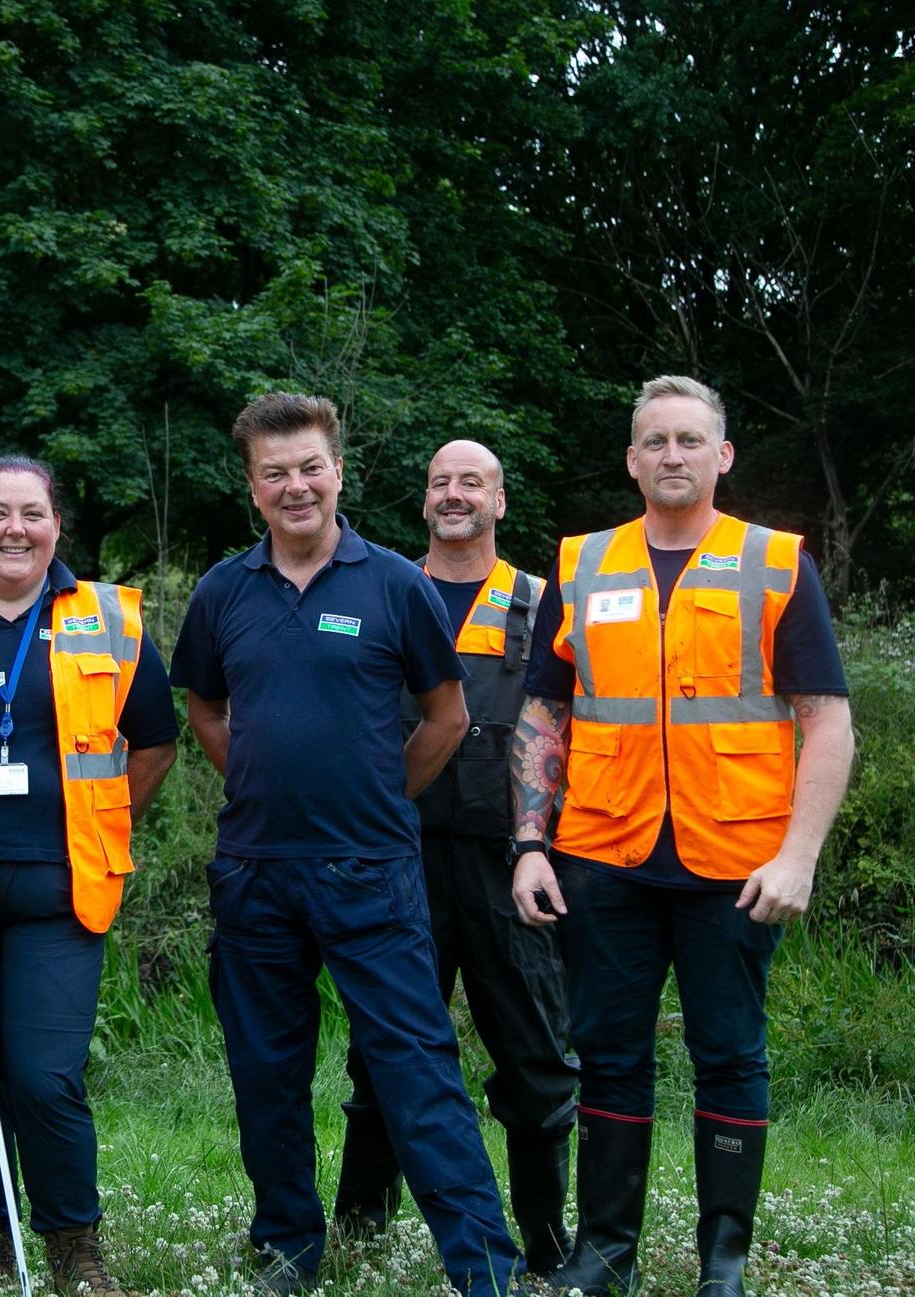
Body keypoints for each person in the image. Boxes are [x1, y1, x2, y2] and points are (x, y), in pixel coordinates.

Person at [169, 394, 523, 1296]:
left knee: (418, 1071)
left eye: (310, 467)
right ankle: (288, 1249)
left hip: (371, 873)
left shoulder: (395, 584)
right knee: (267, 1075)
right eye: (275, 473)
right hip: (254, 874)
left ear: (338, 471)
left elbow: (448, 716)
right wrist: (259, 777)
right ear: (252, 487)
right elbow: (205, 709)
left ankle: (485, 1267)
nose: (296, 486)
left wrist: (376, 795)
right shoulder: (222, 592)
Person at [509, 375, 855, 1297]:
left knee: (731, 1054)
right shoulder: (583, 564)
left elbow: (827, 719)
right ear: (632, 460)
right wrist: (531, 842)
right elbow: (545, 710)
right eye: (655, 441)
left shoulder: (774, 561)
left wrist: (799, 856)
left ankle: (722, 1264)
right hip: (602, 857)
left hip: (737, 863)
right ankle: (603, 1255)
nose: (673, 455)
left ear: (722, 455)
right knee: (608, 1053)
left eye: (690, 440)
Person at [0, 455, 178, 1297]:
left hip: (63, 888)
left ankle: (72, 1244)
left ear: (57, 524)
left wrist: (102, 820)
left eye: (32, 512)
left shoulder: (111, 618)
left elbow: (156, 741)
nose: (14, 529)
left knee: (44, 1075)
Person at [331, 440, 578, 1278]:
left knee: (537, 1053)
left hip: (511, 864)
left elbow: (569, 723)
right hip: (395, 859)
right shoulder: (383, 589)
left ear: (499, 501)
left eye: (472, 482)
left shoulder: (541, 602)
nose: (454, 494)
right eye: (440, 482)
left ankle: (546, 1244)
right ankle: (360, 1229)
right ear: (424, 500)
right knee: (382, 1049)